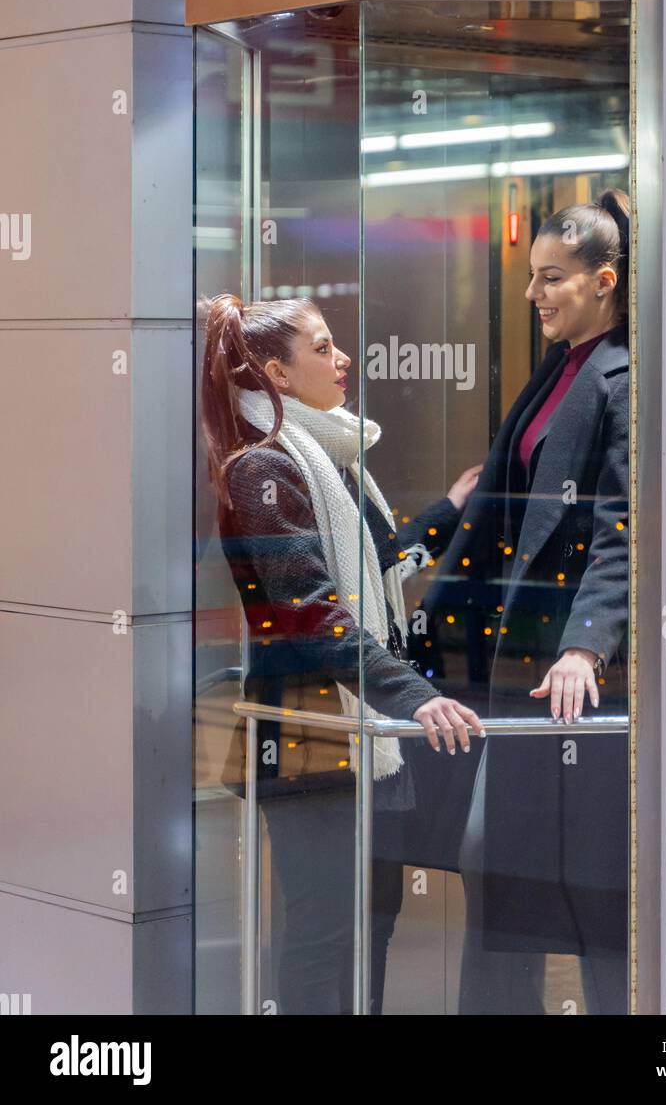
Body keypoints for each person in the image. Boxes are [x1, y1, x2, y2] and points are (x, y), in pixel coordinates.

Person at [200, 293, 483, 1014]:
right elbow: (313, 612)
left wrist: (447, 513)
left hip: (357, 734)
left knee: (369, 922)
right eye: (322, 347)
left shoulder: (333, 459)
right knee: (322, 930)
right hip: (311, 736)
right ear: (277, 374)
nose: (343, 358)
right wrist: (414, 696)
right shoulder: (262, 469)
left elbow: (375, 563)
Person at [420, 188, 630, 1015]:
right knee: (501, 872)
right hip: (510, 665)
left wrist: (586, 643)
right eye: (531, 277)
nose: (535, 294)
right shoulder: (560, 368)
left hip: (562, 676)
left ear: (604, 281)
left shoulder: (618, 375)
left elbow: (622, 525)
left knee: (588, 888)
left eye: (554, 278)